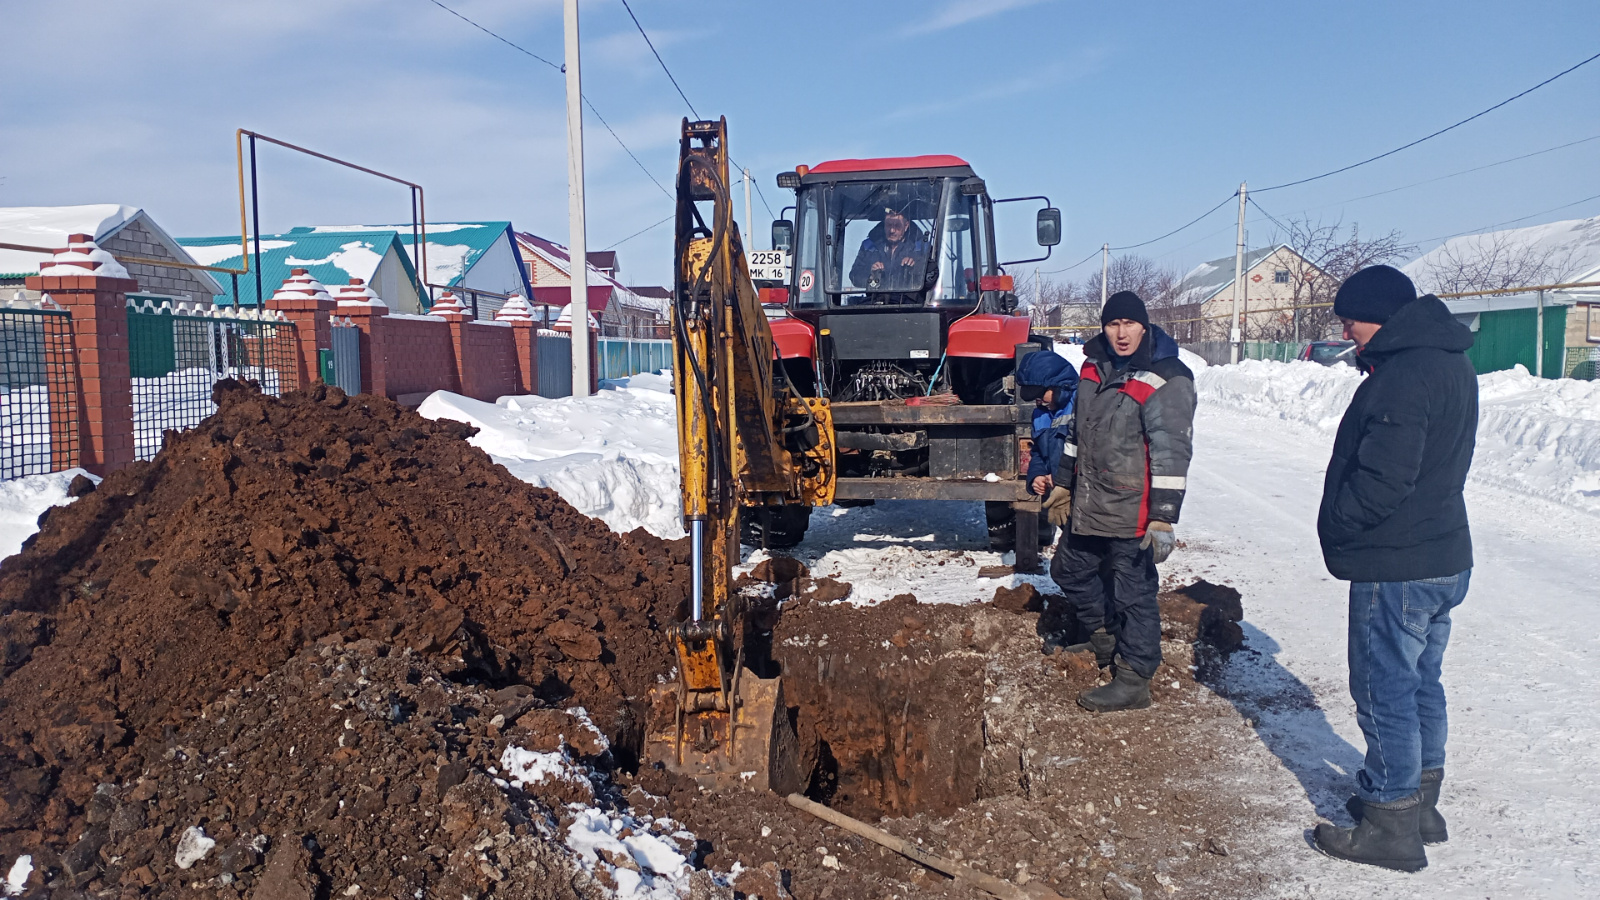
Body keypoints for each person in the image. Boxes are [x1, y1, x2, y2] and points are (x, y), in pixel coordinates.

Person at [1310, 265, 1477, 873]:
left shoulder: (1403, 375)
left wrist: (1343, 525)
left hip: (1400, 562)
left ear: (1377, 314)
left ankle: (1390, 821)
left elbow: (1385, 478)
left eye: (1349, 318)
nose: (1346, 330)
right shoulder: (1449, 361)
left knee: (1384, 688)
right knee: (1420, 680)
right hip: (1444, 554)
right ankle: (1419, 803)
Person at [1045, 291, 1195, 713]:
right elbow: (1078, 435)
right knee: (1069, 568)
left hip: (1133, 507)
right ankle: (1104, 636)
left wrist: (1163, 517)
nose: (1122, 333)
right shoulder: (1093, 369)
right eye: (1113, 324)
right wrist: (1062, 484)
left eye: (1130, 324)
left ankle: (1134, 677)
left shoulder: (1166, 377)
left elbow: (1171, 451)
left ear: (1144, 327)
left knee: (1134, 593)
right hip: (1092, 500)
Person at [1016, 349, 1080, 546]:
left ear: (1059, 385)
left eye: (1041, 395)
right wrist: (1036, 476)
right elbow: (1038, 452)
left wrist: (1064, 478)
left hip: (1086, 500)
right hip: (1061, 500)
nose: (1038, 401)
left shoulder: (1083, 404)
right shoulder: (1040, 414)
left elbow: (1093, 452)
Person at [849, 208, 929, 292]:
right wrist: (871, 273)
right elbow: (854, 276)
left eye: (897, 225)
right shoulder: (868, 246)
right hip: (875, 302)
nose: (892, 230)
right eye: (889, 225)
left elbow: (931, 276)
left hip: (910, 302)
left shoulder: (922, 247)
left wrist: (916, 267)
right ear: (884, 225)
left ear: (906, 226)